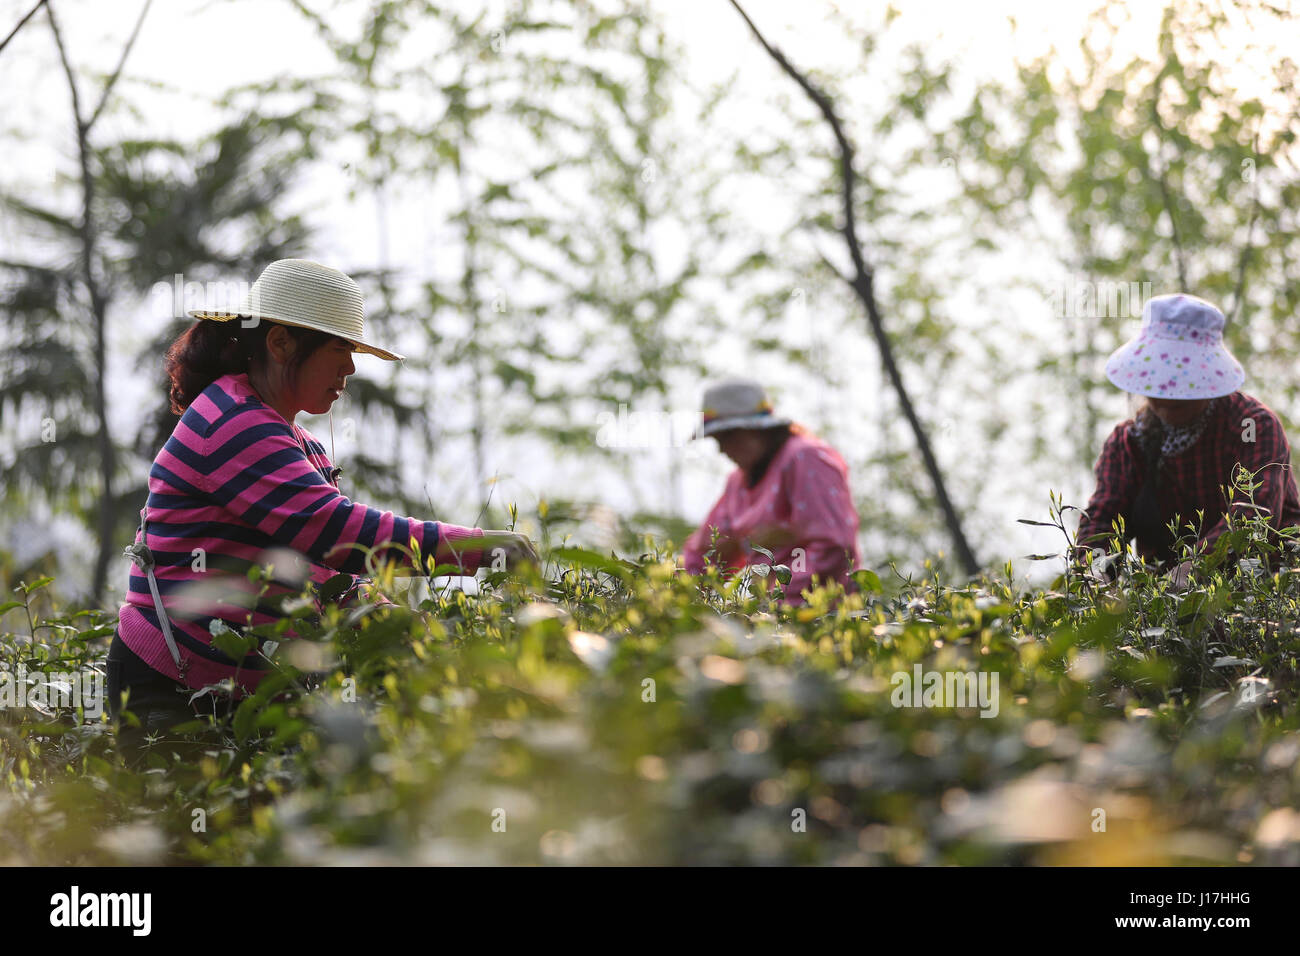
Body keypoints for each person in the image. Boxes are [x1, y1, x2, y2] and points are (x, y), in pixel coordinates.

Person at [109, 258, 538, 757]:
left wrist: (408, 634)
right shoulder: (231, 419)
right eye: (340, 350)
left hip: (239, 694)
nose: (350, 368)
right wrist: (480, 548)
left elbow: (327, 574)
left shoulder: (295, 441)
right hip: (171, 691)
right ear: (280, 343)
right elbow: (337, 534)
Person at [1075, 293, 1300, 585]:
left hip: (1266, 589)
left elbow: (1254, 515)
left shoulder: (1252, 427)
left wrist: (1195, 567)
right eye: (1161, 382)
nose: (1169, 397)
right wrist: (1096, 572)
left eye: (1183, 384)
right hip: (1165, 607)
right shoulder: (1127, 444)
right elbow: (1102, 519)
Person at [682, 378, 861, 603]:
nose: (723, 450)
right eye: (718, 440)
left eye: (729, 436)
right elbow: (705, 551)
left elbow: (833, 545)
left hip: (820, 615)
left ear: (757, 430)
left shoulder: (804, 458)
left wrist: (779, 602)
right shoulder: (738, 483)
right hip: (769, 616)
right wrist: (678, 595)